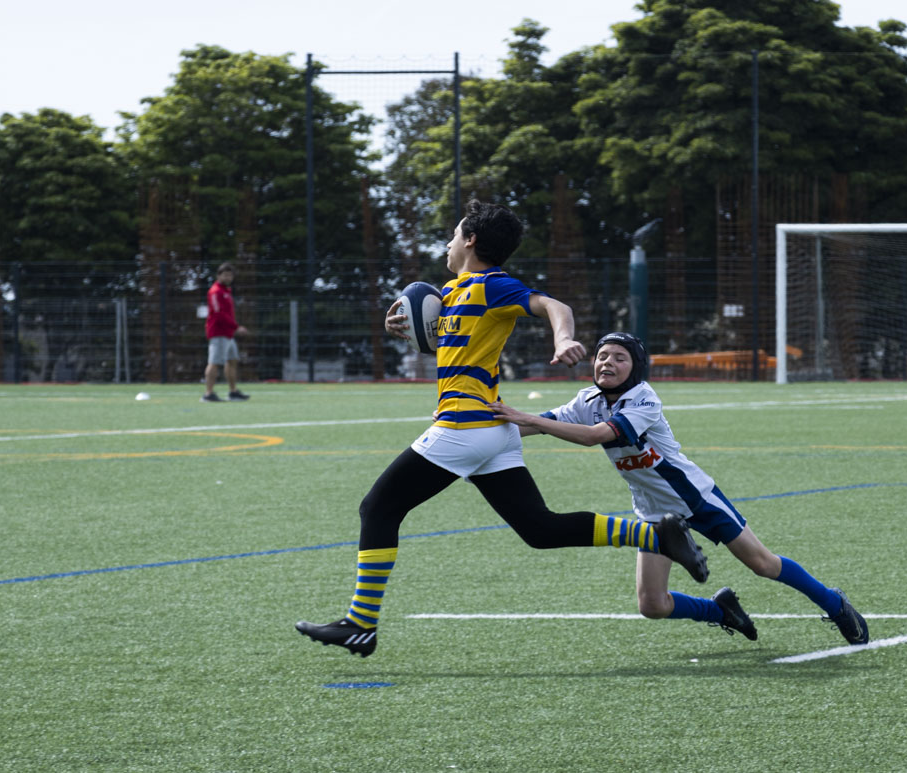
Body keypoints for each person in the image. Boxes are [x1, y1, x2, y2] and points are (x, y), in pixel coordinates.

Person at [295, 201, 709, 658]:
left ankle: (361, 624)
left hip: (466, 426)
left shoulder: (493, 286)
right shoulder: (451, 294)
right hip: (493, 428)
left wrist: (564, 338)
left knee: (378, 508)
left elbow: (555, 305)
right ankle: (656, 536)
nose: (448, 244)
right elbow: (451, 345)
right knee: (539, 529)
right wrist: (410, 332)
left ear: (470, 240)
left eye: (453, 236)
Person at [490, 332, 870, 646]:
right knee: (652, 605)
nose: (606, 362)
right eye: (602, 356)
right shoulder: (586, 401)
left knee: (763, 564)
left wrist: (521, 417)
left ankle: (834, 604)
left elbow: (594, 437)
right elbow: (536, 425)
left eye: (619, 357)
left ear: (636, 368)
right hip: (652, 512)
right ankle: (721, 611)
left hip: (696, 499)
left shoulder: (643, 399)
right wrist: (480, 425)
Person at [201, 262, 250, 403]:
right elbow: (218, 314)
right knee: (214, 362)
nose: (228, 277)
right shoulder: (215, 291)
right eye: (225, 275)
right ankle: (208, 394)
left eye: (230, 275)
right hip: (218, 332)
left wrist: (232, 329)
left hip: (228, 333)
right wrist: (236, 327)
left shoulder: (226, 291)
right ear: (219, 275)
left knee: (232, 361)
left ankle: (233, 392)